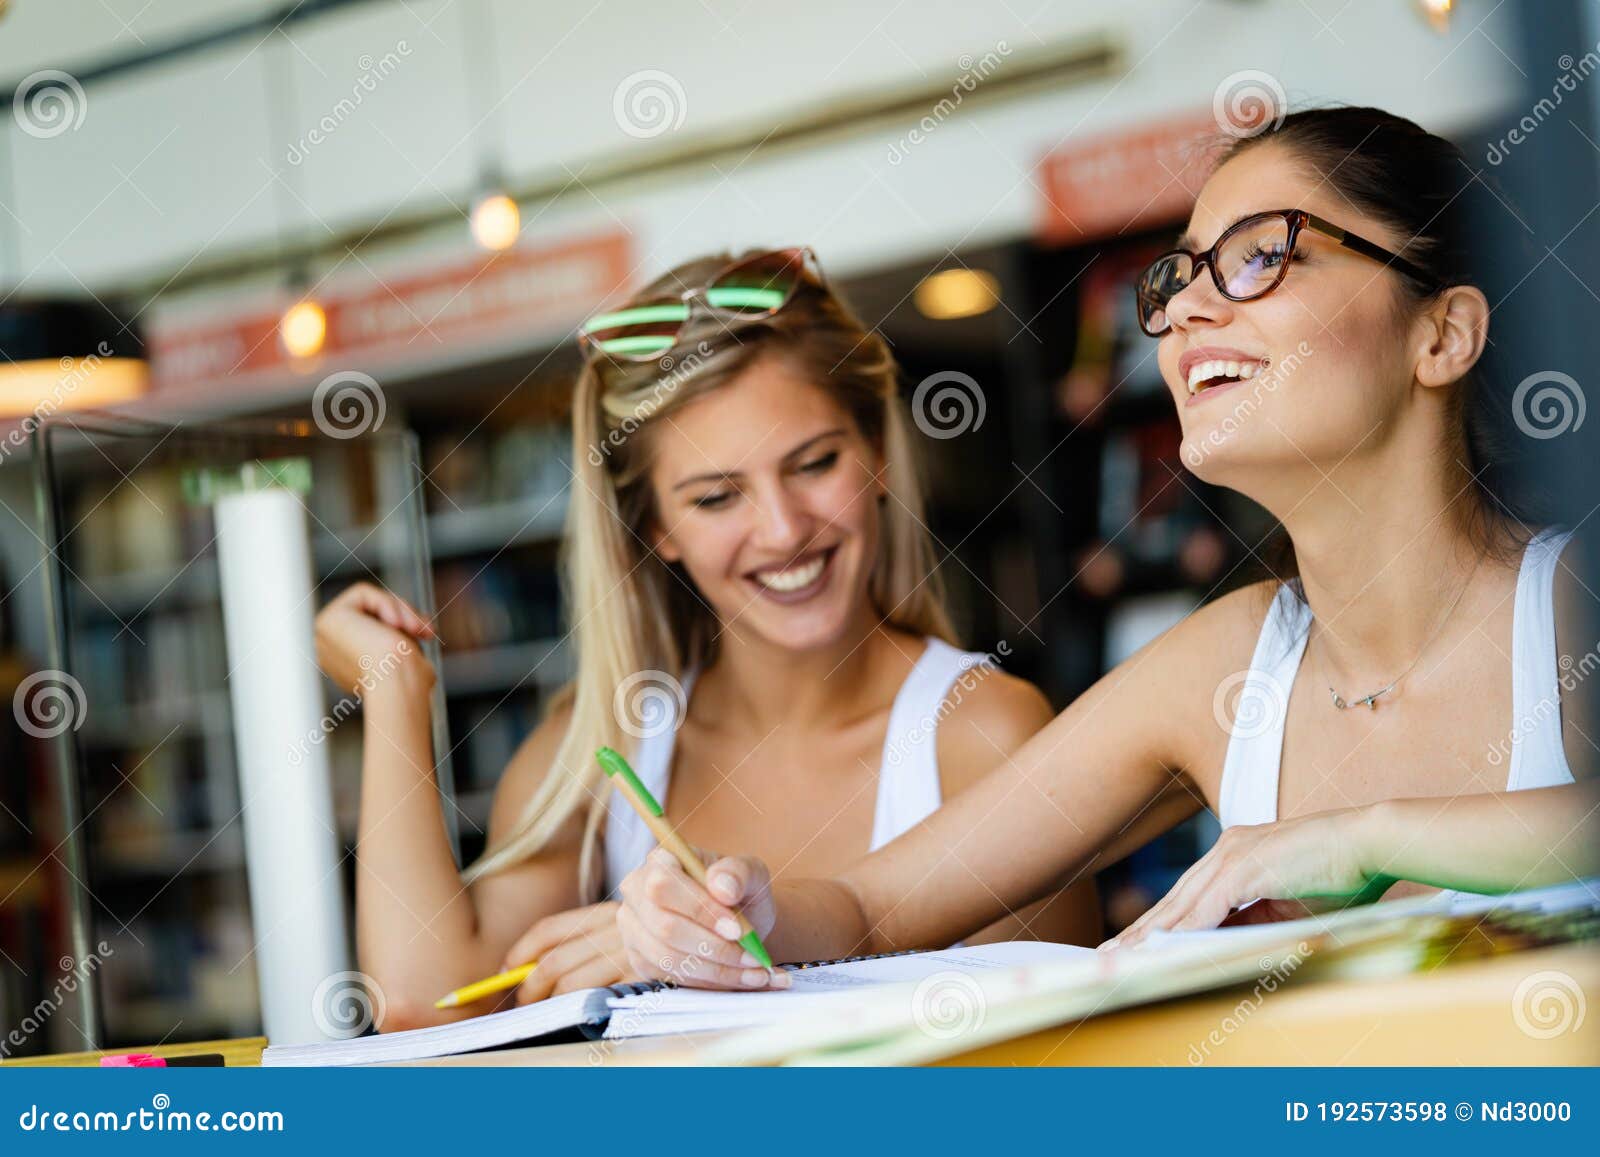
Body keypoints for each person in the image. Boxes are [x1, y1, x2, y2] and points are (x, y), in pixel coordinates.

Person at [611, 107, 1598, 990]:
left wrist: (1361, 837)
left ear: (1442, 333)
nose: (1182, 311)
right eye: (1177, 277)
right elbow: (876, 908)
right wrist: (737, 911)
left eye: (1259, 255)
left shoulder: (1570, 597)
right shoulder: (1225, 663)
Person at [313, 247, 1100, 1029]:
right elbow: (422, 1004)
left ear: (878, 456)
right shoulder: (598, 757)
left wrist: (699, 962)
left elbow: (1058, 1071)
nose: (785, 529)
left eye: (816, 462)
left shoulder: (985, 733)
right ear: (658, 527)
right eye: (719, 496)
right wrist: (391, 688)